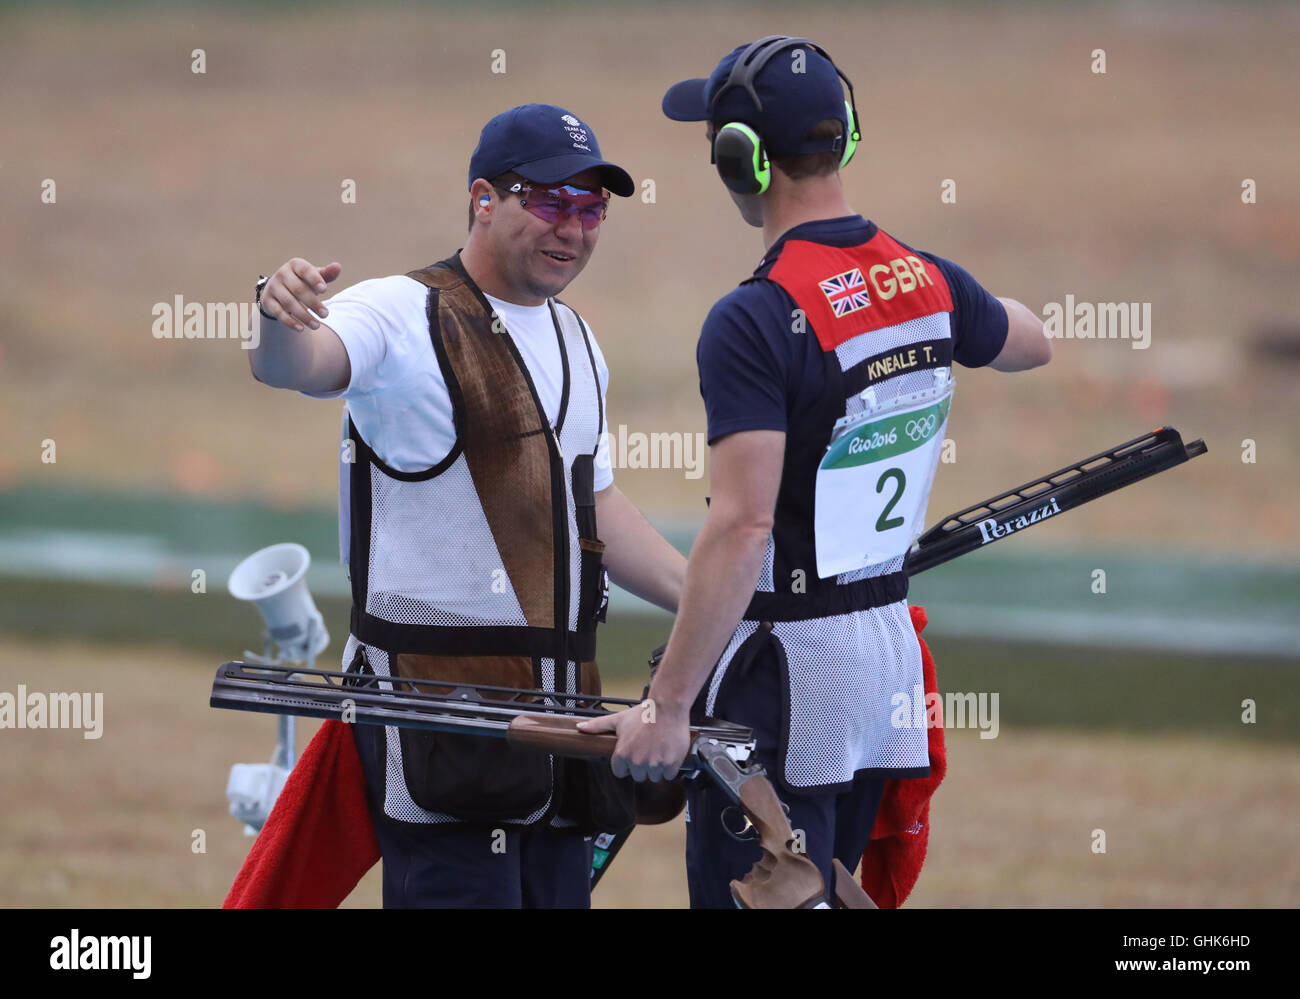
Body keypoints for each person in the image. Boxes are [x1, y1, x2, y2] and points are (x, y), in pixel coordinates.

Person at [580, 36, 1052, 907]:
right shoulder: (928, 280)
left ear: (740, 159)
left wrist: (671, 702)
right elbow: (1030, 340)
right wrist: (936, 308)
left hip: (785, 678)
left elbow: (743, 524)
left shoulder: (756, 317)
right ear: (849, 137)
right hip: (883, 666)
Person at [246, 104, 686, 908]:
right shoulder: (399, 312)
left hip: (563, 732)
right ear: (485, 197)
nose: (575, 228)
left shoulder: (580, 341)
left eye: (593, 209)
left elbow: (593, 503)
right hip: (439, 735)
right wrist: (278, 316)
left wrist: (713, 599)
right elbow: (299, 364)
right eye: (552, 201)